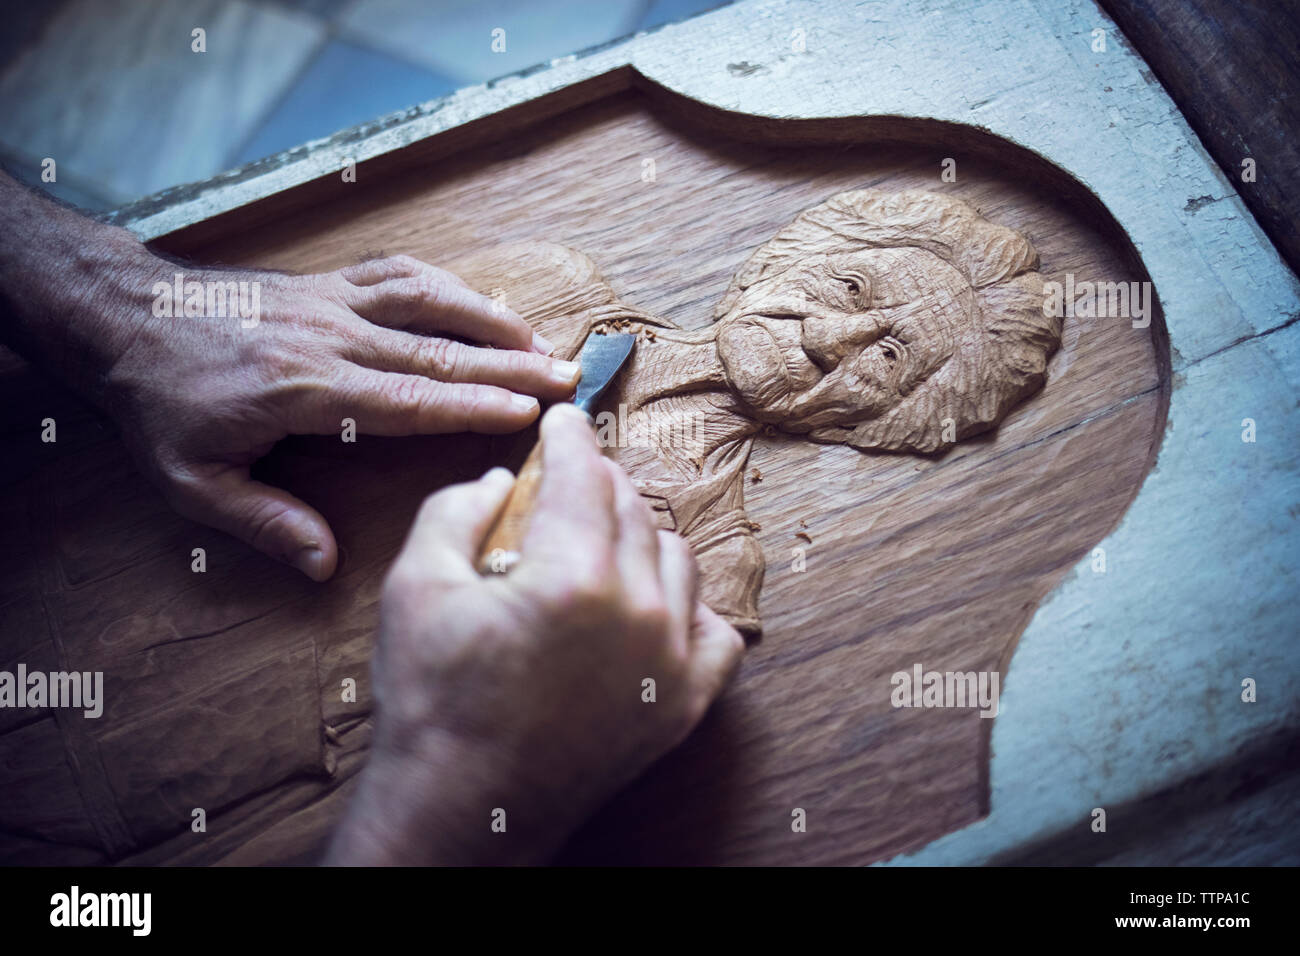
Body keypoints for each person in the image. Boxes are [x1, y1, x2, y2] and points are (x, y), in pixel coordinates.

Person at [0, 170, 745, 865]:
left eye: (873, 350)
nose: (831, 342)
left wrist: (441, 797)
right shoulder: (558, 289)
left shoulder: (721, 562)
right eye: (848, 286)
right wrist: (116, 304)